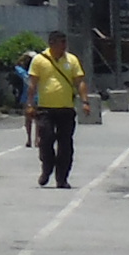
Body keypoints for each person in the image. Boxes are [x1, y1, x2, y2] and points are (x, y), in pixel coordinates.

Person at [26, 31, 86, 190]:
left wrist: (85, 101)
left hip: (66, 109)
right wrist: (30, 104)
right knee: (46, 139)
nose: (64, 46)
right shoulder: (39, 60)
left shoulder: (72, 60)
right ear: (52, 43)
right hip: (45, 109)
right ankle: (47, 168)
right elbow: (32, 84)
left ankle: (62, 178)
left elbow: (79, 82)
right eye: (61, 42)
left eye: (65, 42)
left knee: (66, 145)